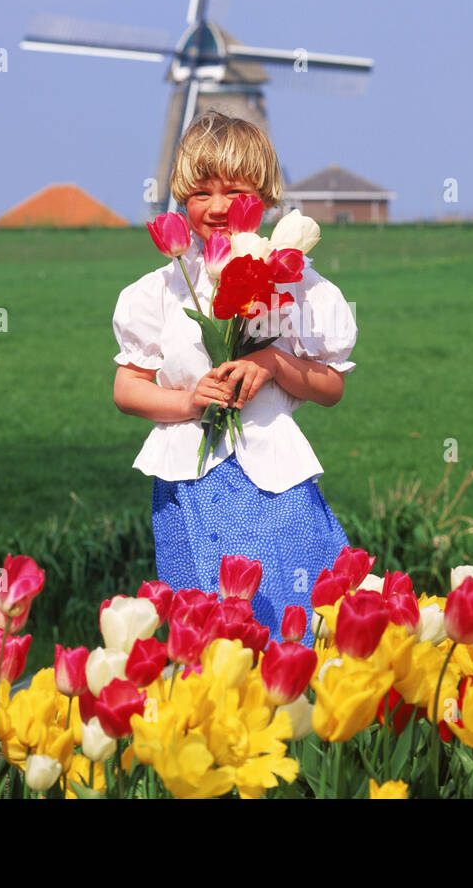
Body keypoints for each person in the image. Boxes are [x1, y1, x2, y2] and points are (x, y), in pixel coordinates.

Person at [111, 111, 357, 644]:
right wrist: (188, 402)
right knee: (206, 634)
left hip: (273, 483)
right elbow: (126, 389)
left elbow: (331, 387)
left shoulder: (297, 285)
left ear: (265, 198)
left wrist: (271, 365)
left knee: (293, 621)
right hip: (189, 485)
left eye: (236, 191)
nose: (217, 206)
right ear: (180, 200)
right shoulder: (157, 293)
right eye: (200, 192)